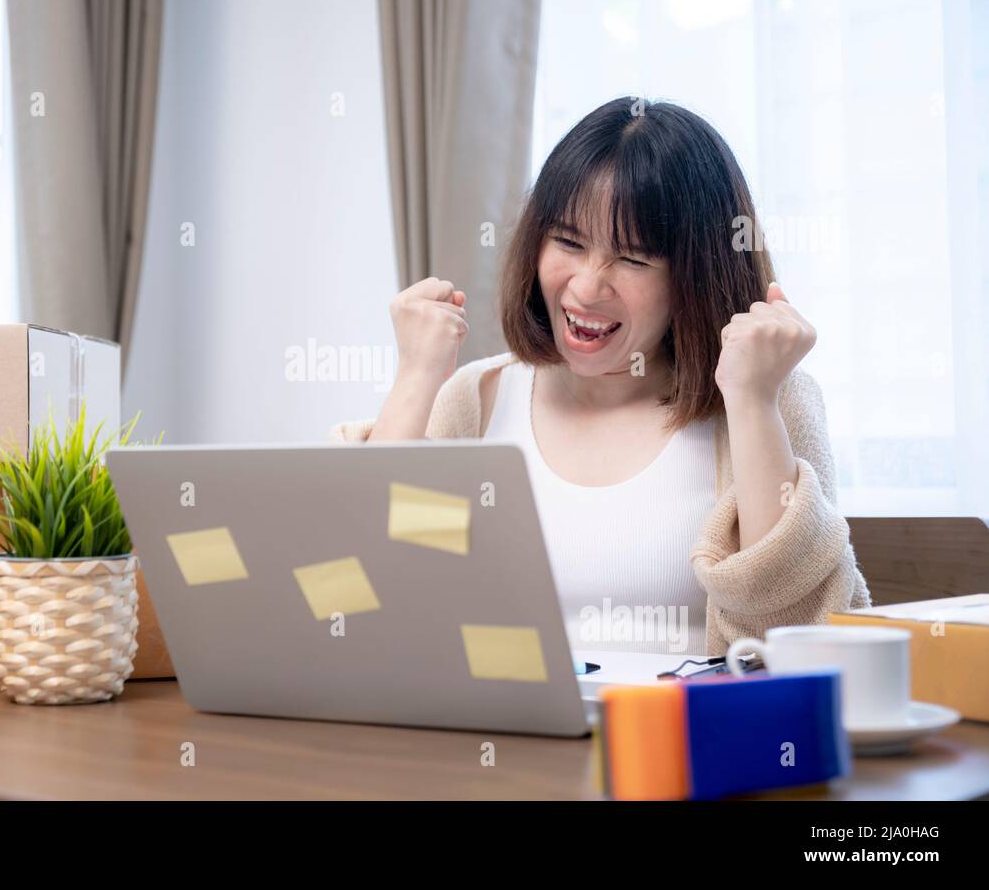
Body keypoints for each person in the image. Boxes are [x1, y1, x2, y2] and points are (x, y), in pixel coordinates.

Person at [331, 97, 870, 655]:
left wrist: (753, 401)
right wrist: (417, 379)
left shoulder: (766, 405)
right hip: (505, 737)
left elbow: (806, 644)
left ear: (695, 276)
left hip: (683, 738)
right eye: (568, 242)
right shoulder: (476, 402)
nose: (587, 288)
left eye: (633, 259)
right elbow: (361, 600)